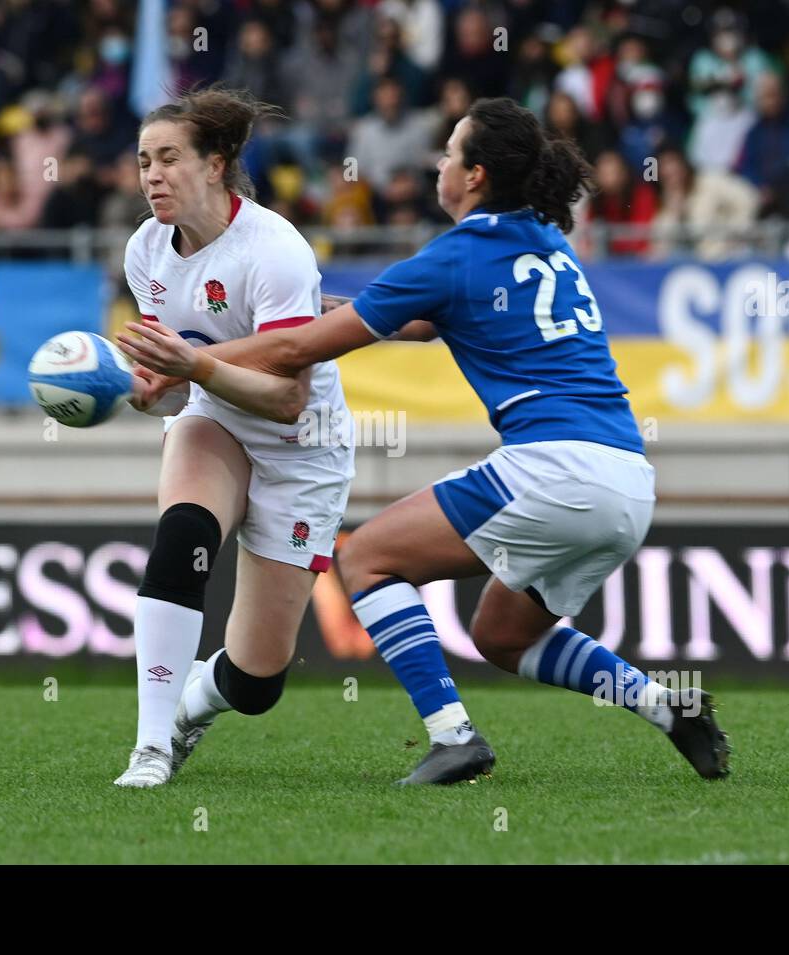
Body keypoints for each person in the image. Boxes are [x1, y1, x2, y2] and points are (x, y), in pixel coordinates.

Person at [124, 98, 731, 785]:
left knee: (371, 559)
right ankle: (665, 704)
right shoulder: (546, 241)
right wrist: (335, 310)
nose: (437, 164)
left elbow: (295, 348)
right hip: (626, 483)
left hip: (552, 467)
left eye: (447, 153)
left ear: (473, 177)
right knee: (503, 636)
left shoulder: (451, 256)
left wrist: (194, 360)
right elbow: (421, 320)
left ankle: (453, 735)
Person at [111, 88, 359, 788]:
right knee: (183, 533)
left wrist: (192, 367)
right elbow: (182, 381)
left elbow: (286, 395)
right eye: (142, 162)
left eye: (169, 159)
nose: (152, 175)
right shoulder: (145, 251)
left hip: (300, 445)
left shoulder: (275, 251)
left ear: (216, 166)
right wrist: (153, 388)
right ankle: (152, 745)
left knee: (256, 680)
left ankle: (195, 700)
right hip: (217, 419)